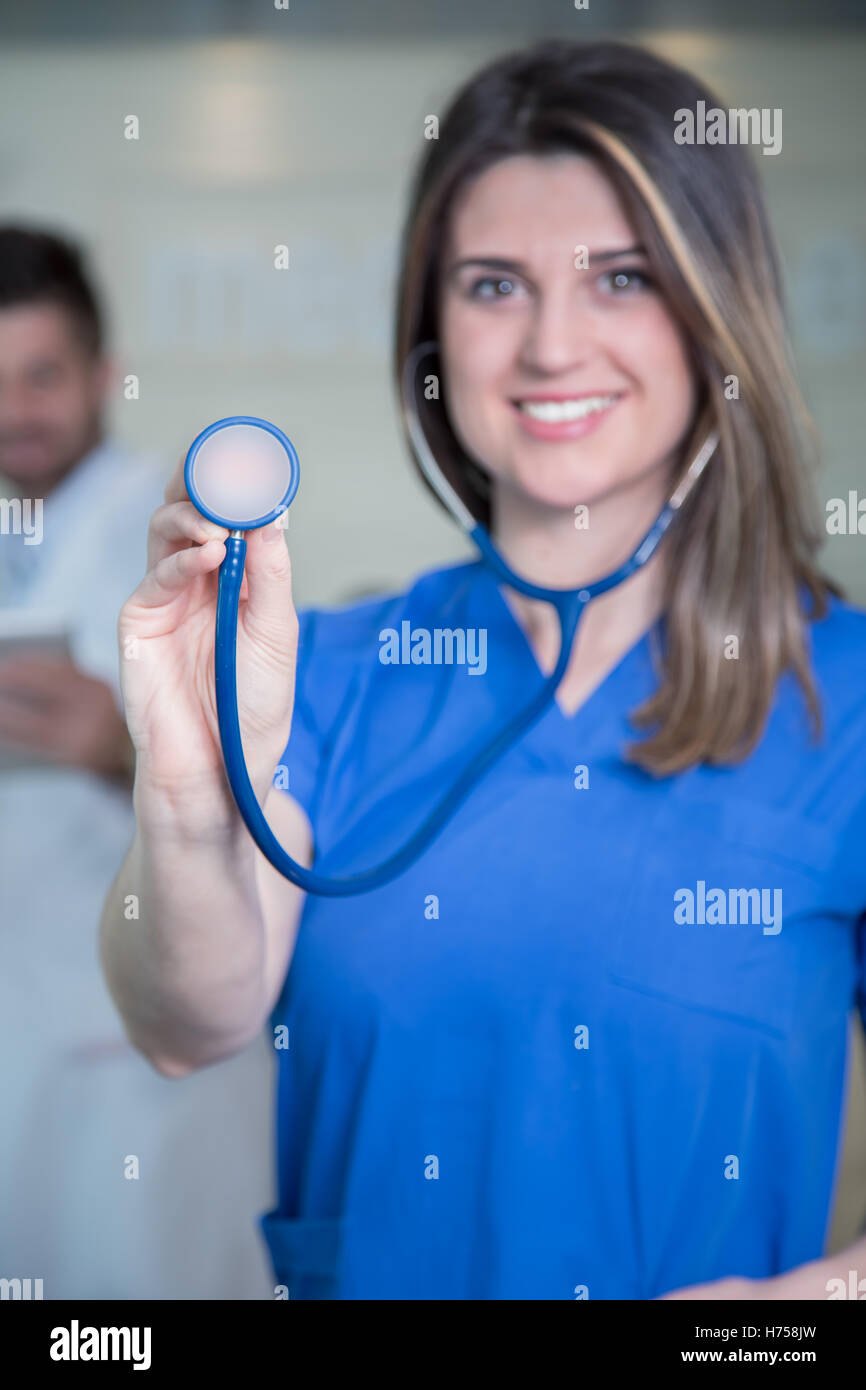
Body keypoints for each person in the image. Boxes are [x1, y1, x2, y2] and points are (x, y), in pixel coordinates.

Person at [100, 42, 866, 1300]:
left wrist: (805, 1311)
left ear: (714, 306)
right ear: (431, 338)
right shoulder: (332, 673)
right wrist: (185, 793)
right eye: (494, 285)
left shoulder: (842, 698)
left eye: (620, 278)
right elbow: (185, 1026)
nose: (552, 344)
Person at [0, 226, 274, 1299]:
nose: (19, 410)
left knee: (148, 1285)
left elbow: (273, 785)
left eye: (43, 375)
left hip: (147, 1044)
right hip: (18, 1017)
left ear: (102, 375)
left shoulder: (185, 536)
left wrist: (116, 745)